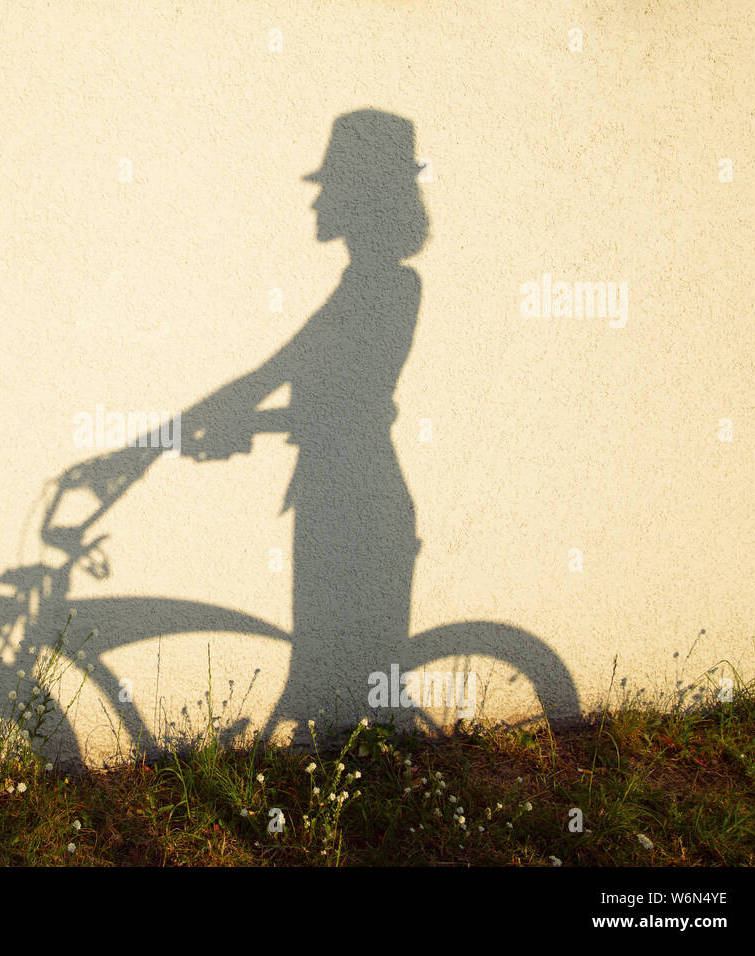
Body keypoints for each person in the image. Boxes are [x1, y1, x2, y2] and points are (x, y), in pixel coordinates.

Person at [180, 110, 430, 735]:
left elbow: (349, 407)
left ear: (364, 194)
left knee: (353, 705)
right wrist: (170, 431)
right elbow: (270, 376)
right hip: (334, 494)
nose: (317, 199)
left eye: (332, 183)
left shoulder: (391, 289)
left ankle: (389, 814)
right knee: (330, 696)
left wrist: (234, 425)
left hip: (359, 503)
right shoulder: (356, 287)